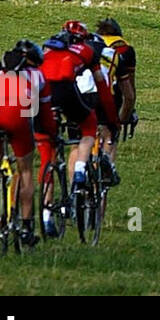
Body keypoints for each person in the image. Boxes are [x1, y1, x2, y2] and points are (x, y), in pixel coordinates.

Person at [0, 40, 49, 247]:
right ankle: (27, 228)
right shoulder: (37, 75)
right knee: (25, 170)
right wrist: (48, 132)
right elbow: (44, 114)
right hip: (16, 116)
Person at [39, 21, 119, 200]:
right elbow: (104, 87)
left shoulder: (47, 49)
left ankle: (54, 204)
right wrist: (113, 120)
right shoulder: (90, 50)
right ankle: (87, 168)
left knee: (66, 144)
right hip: (83, 92)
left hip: (46, 93)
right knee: (94, 129)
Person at [94, 17, 136, 180]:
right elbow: (130, 88)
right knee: (110, 137)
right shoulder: (125, 49)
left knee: (81, 144)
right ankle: (107, 170)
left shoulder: (90, 45)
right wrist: (126, 114)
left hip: (84, 96)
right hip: (111, 97)